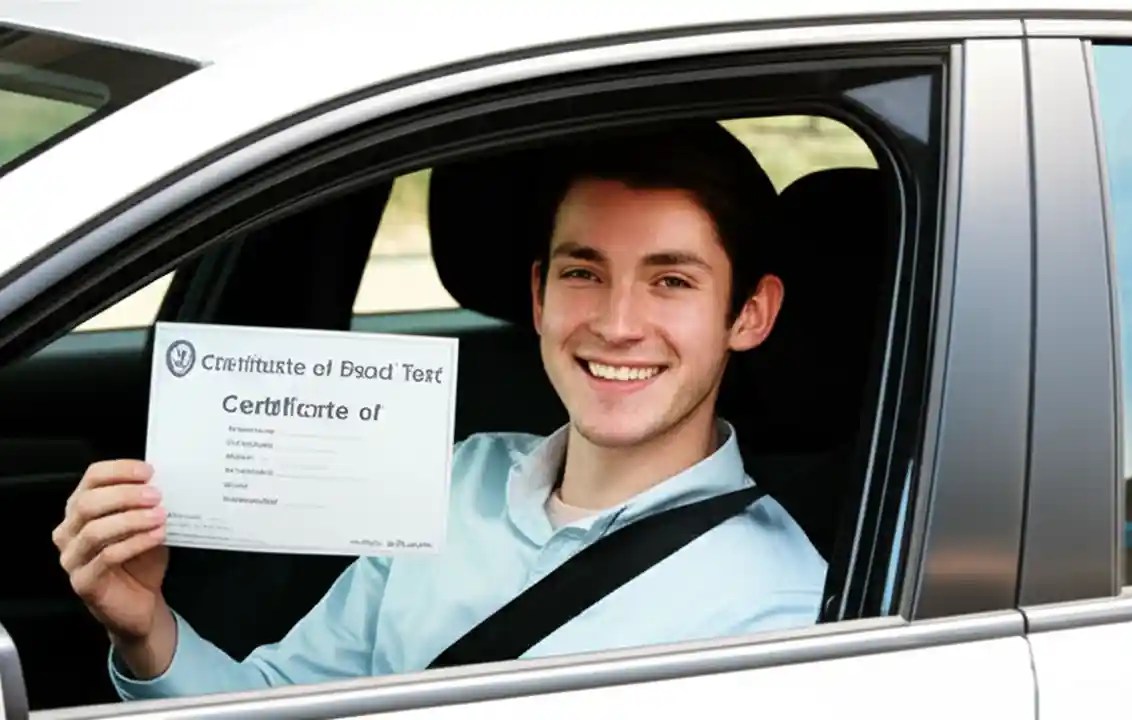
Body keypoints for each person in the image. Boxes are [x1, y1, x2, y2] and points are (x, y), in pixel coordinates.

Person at [50, 121, 827, 700]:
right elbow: (282, 703)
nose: (618, 324)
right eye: (583, 273)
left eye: (671, 282)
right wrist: (145, 628)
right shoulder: (454, 479)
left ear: (749, 315)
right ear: (539, 295)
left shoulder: (778, 607)